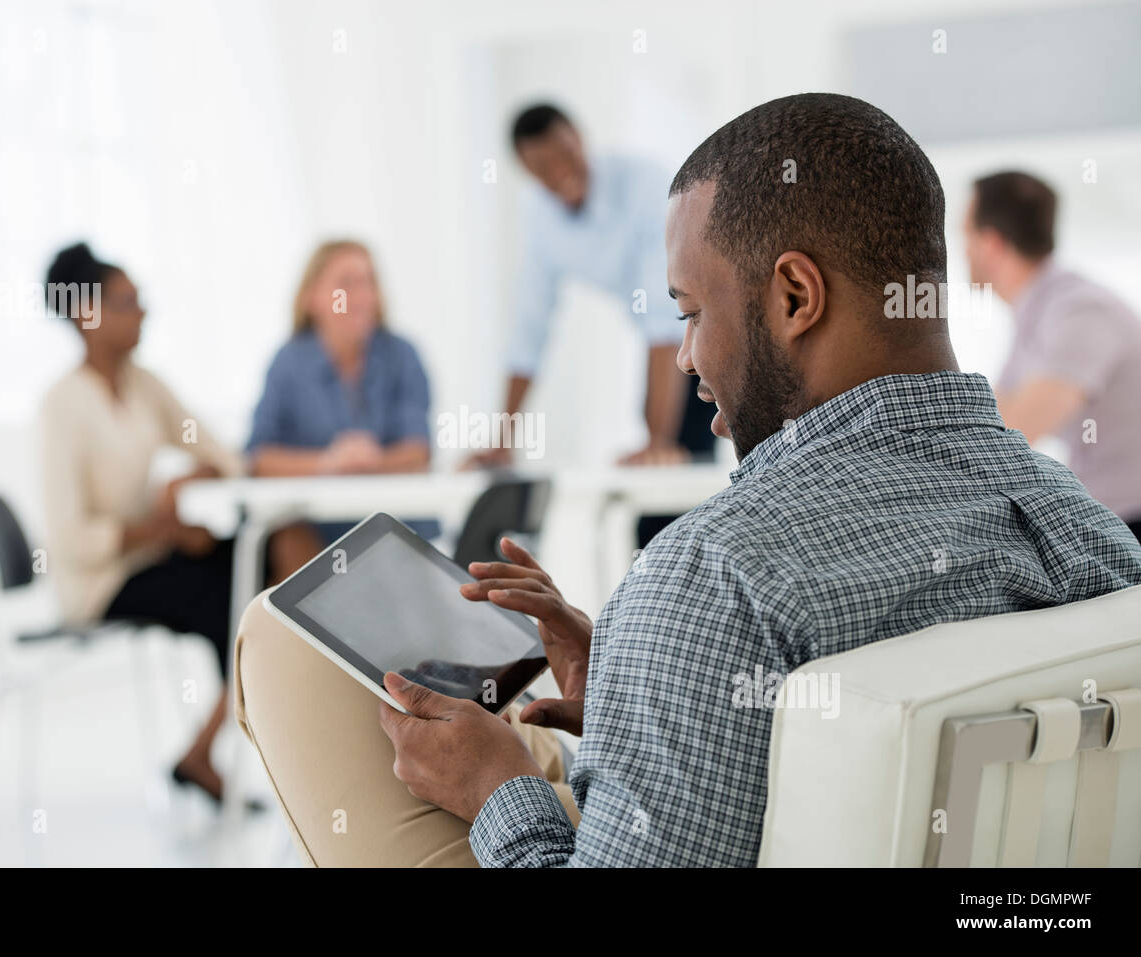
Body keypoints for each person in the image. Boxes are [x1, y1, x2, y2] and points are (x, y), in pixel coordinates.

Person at [232, 94, 1141, 867]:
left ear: (794, 297)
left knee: (280, 640)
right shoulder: (1094, 535)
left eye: (691, 311)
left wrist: (500, 789)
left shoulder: (713, 580)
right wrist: (641, 687)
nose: (689, 357)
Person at [38, 242, 244, 805]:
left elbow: (223, 452)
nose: (142, 311)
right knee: (241, 597)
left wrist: (190, 478)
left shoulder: (143, 385)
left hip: (151, 559)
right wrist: (167, 530)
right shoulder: (62, 404)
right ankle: (208, 750)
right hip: (101, 584)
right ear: (87, 313)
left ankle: (203, 750)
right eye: (127, 301)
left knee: (261, 561)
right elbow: (72, 541)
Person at [467, 103, 719, 546]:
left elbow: (662, 317)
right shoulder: (542, 217)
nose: (560, 171)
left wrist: (658, 439)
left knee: (673, 490)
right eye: (542, 166)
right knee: (655, 511)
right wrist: (502, 441)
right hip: (681, 328)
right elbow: (530, 331)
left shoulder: (641, 185)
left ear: (579, 137)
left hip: (715, 318)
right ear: (527, 171)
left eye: (564, 153)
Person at [964, 171, 1141, 538]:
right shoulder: (1037, 311)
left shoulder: (1080, 311)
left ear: (992, 244)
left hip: (1130, 522)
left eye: (965, 235)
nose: (961, 250)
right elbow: (993, 421)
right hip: (1111, 516)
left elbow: (1011, 435)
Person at [247, 240, 436, 580]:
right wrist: (328, 463)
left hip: (398, 526)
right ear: (311, 297)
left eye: (369, 282)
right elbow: (259, 459)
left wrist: (373, 461)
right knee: (289, 541)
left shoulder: (401, 355)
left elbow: (417, 451)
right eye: (347, 283)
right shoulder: (288, 364)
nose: (363, 295)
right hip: (319, 535)